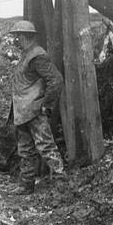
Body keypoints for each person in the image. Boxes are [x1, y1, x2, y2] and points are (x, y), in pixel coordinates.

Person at [9, 19, 66, 193]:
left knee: (45, 146)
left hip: (34, 110)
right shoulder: (26, 55)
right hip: (23, 111)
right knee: (25, 150)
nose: (15, 40)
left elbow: (56, 81)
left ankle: (61, 184)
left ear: (24, 36)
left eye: (16, 36)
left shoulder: (37, 55)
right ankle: (27, 185)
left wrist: (46, 105)